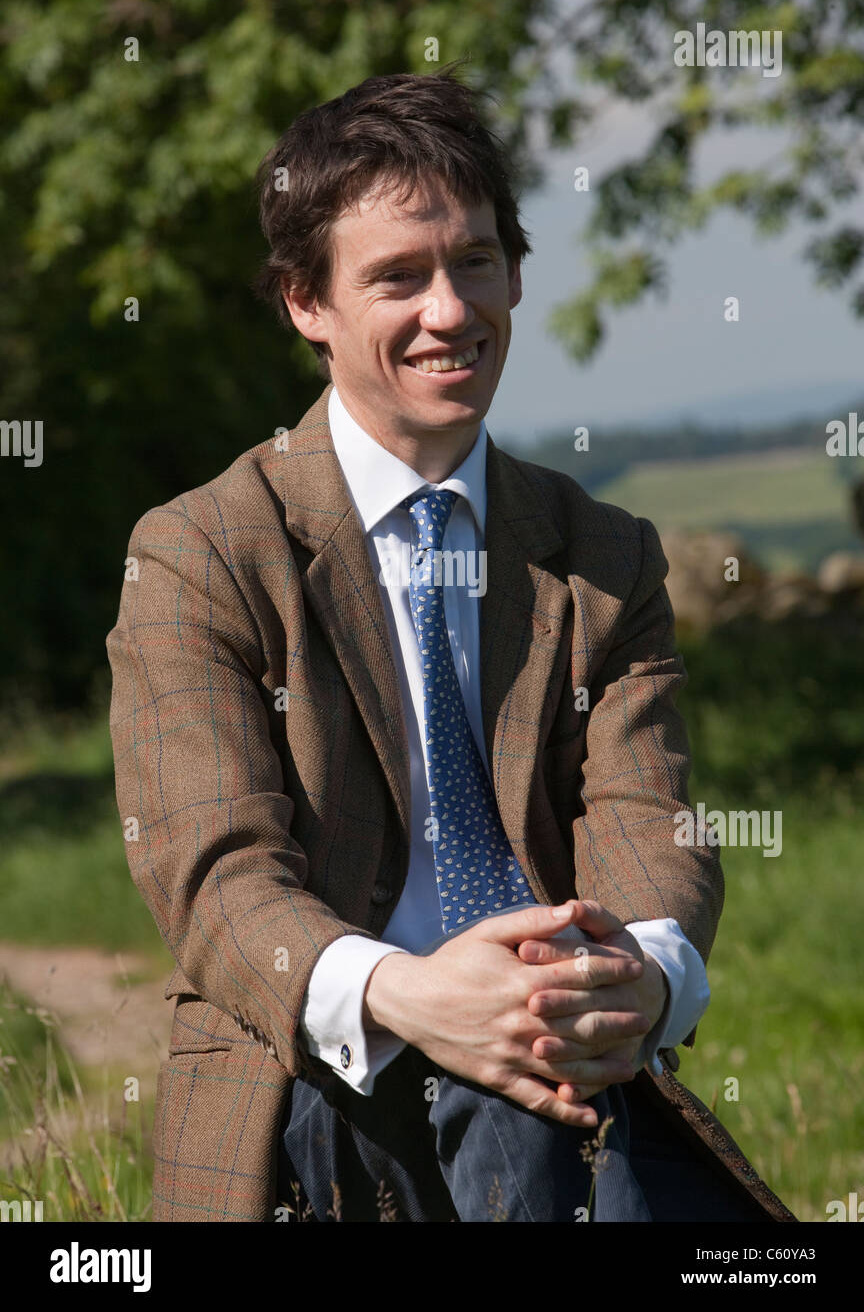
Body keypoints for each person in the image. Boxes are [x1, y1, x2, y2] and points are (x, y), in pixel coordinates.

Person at [106, 63, 794, 1223]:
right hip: (317, 1075)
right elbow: (217, 878)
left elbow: (643, 818)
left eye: (474, 261)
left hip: (564, 1061)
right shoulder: (200, 554)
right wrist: (416, 992)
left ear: (515, 272)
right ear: (304, 303)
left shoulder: (599, 552)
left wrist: (640, 977)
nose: (448, 310)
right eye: (397, 276)